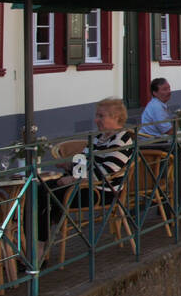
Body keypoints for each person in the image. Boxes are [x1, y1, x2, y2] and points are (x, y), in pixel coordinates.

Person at [39, 98, 133, 243]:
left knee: (45, 194)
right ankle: (35, 244)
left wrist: (72, 179)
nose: (96, 120)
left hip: (102, 192)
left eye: (101, 116)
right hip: (85, 185)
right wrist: (69, 166)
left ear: (116, 117)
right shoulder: (99, 138)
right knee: (38, 190)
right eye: (97, 116)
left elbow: (105, 172)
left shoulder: (122, 140)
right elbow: (81, 162)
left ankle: (39, 247)